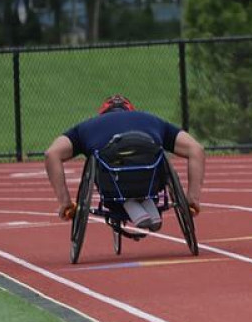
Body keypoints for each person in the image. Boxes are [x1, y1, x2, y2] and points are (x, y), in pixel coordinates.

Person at [45, 94, 205, 229]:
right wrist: (192, 199)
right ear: (131, 111)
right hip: (151, 180)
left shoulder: (86, 127)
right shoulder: (152, 120)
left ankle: (129, 203)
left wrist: (65, 203)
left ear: (103, 113)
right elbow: (196, 149)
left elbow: (51, 154)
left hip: (113, 183)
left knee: (108, 168)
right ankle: (146, 203)